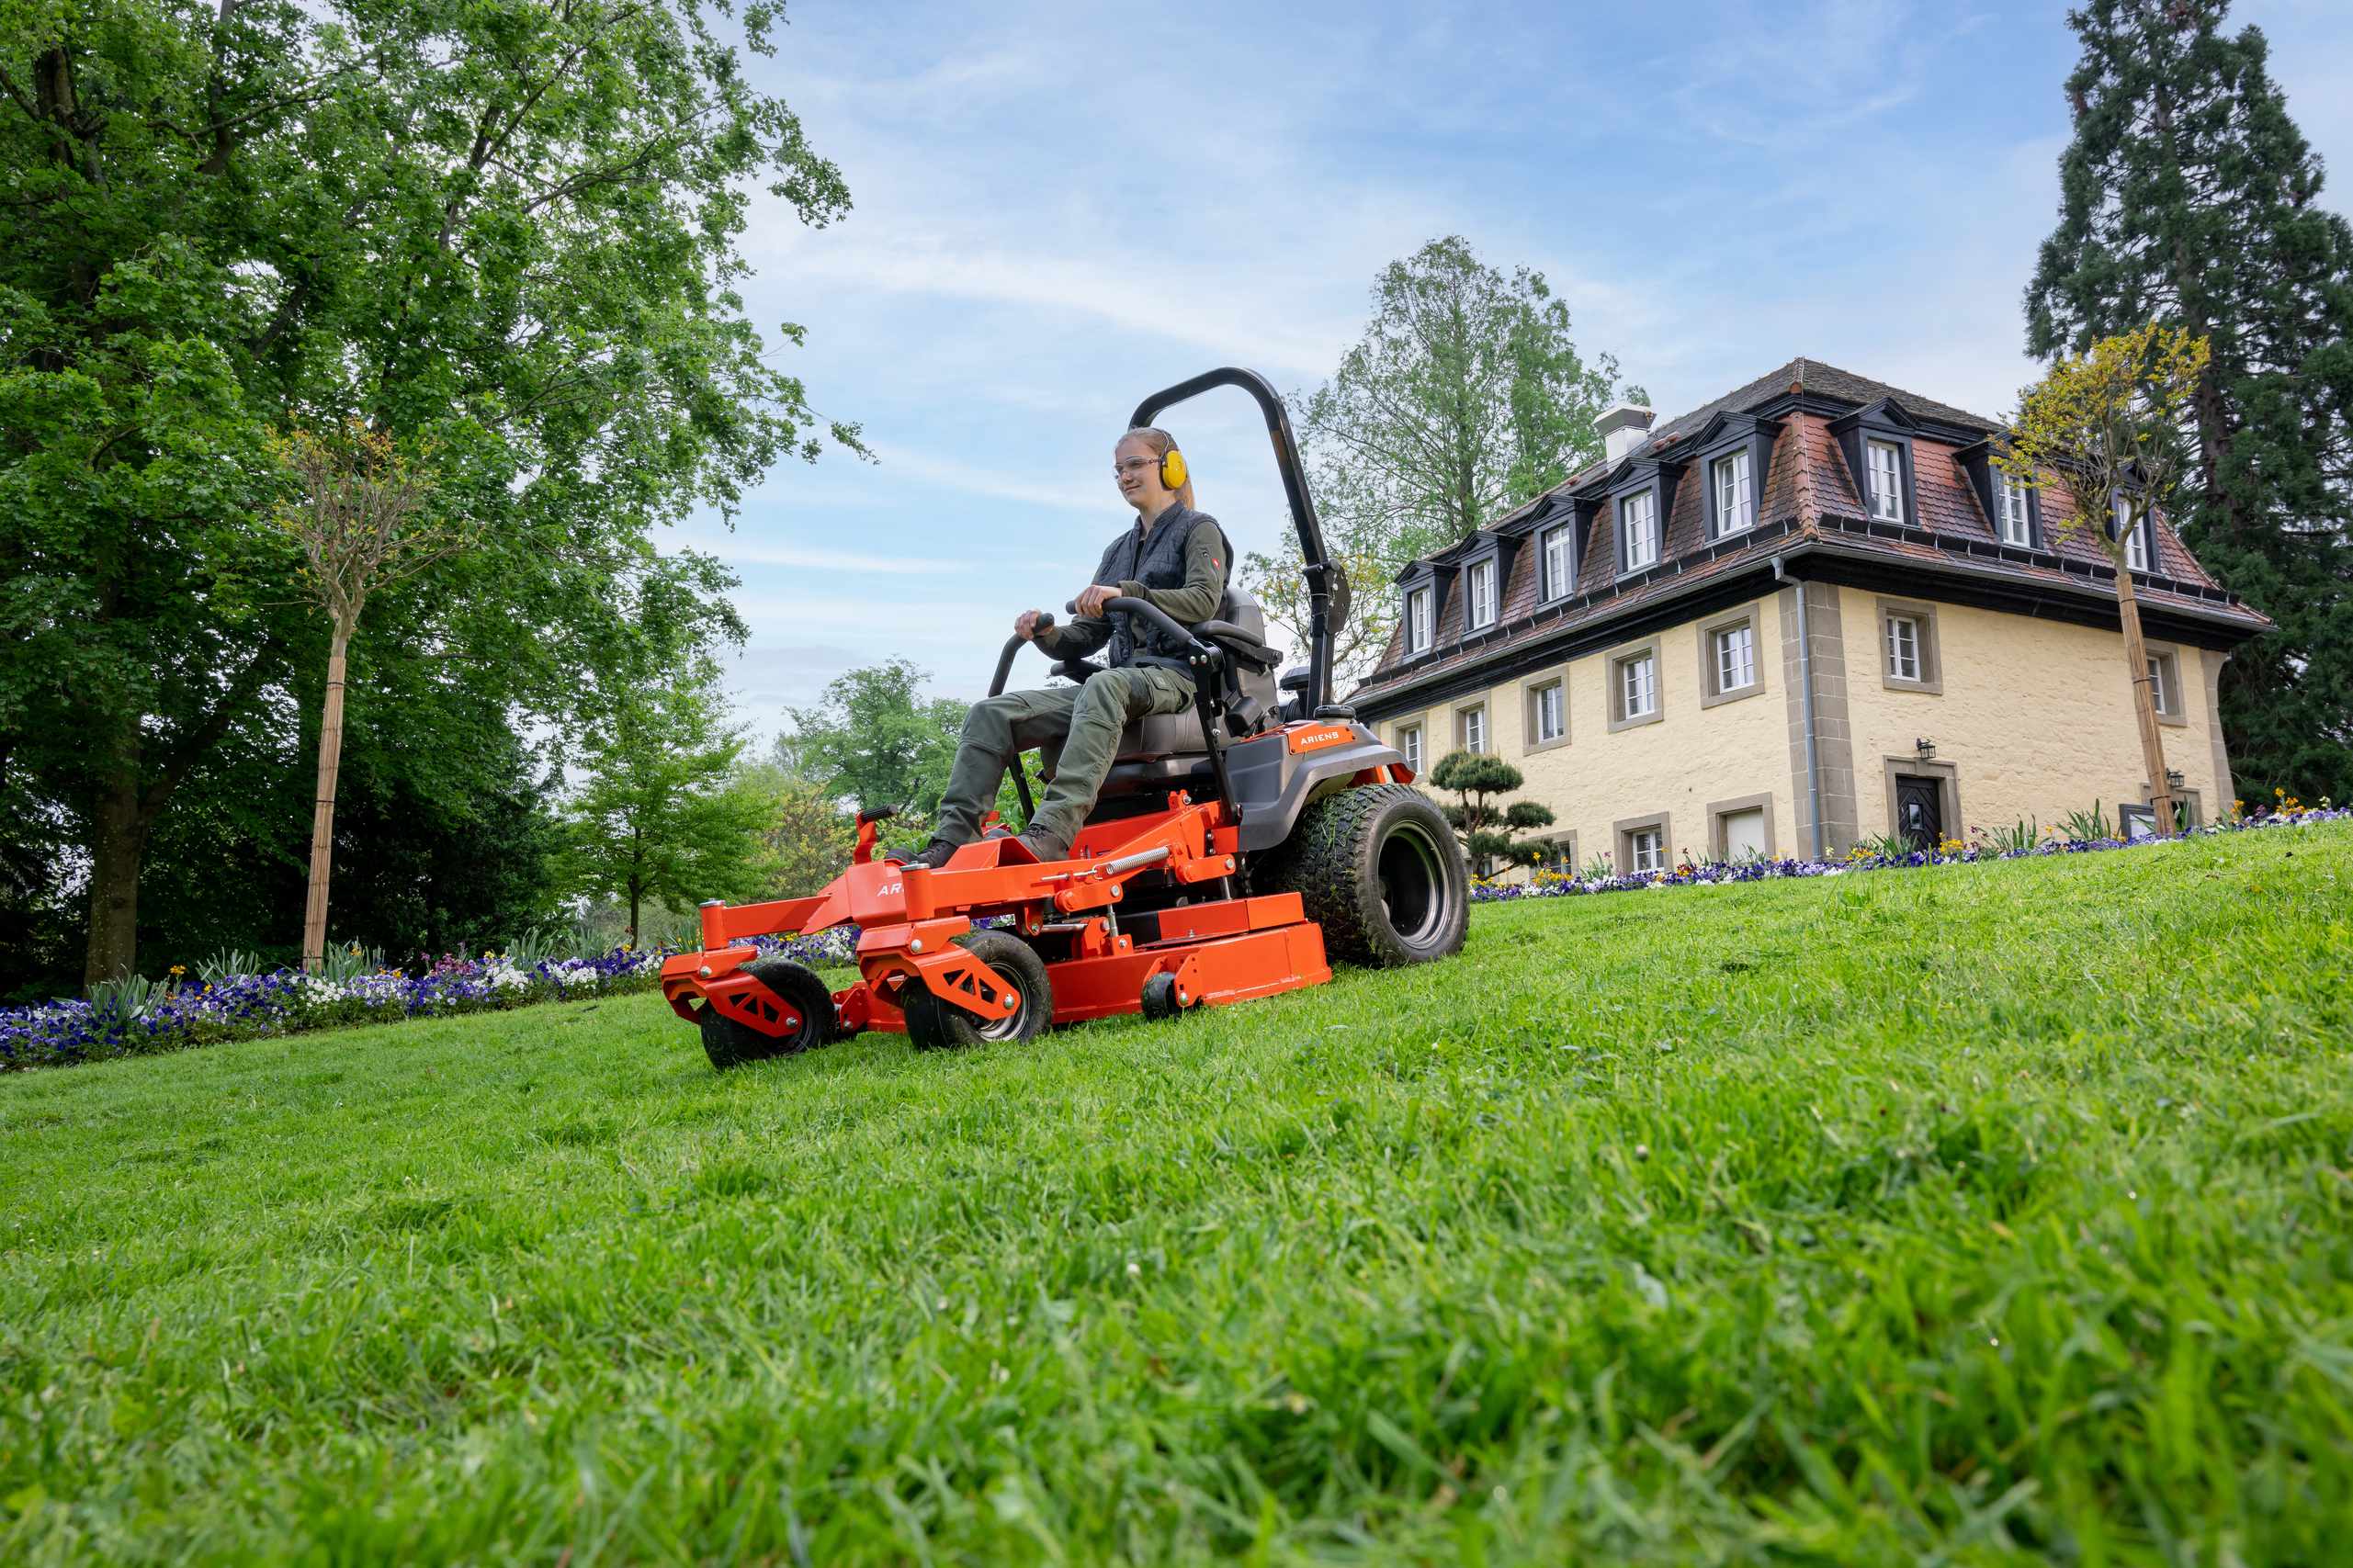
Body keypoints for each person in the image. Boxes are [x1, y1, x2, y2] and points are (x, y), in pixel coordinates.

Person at [890, 426, 1230, 867]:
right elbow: (1087, 636)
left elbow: (1203, 599)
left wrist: (1129, 592)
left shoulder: (1198, 530)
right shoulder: (1119, 549)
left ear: (1170, 466)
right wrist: (1046, 633)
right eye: (1118, 470)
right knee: (991, 712)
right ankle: (953, 843)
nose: (1125, 476)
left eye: (1134, 465)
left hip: (1177, 674)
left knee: (1106, 685)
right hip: (1121, 684)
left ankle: (1050, 832)